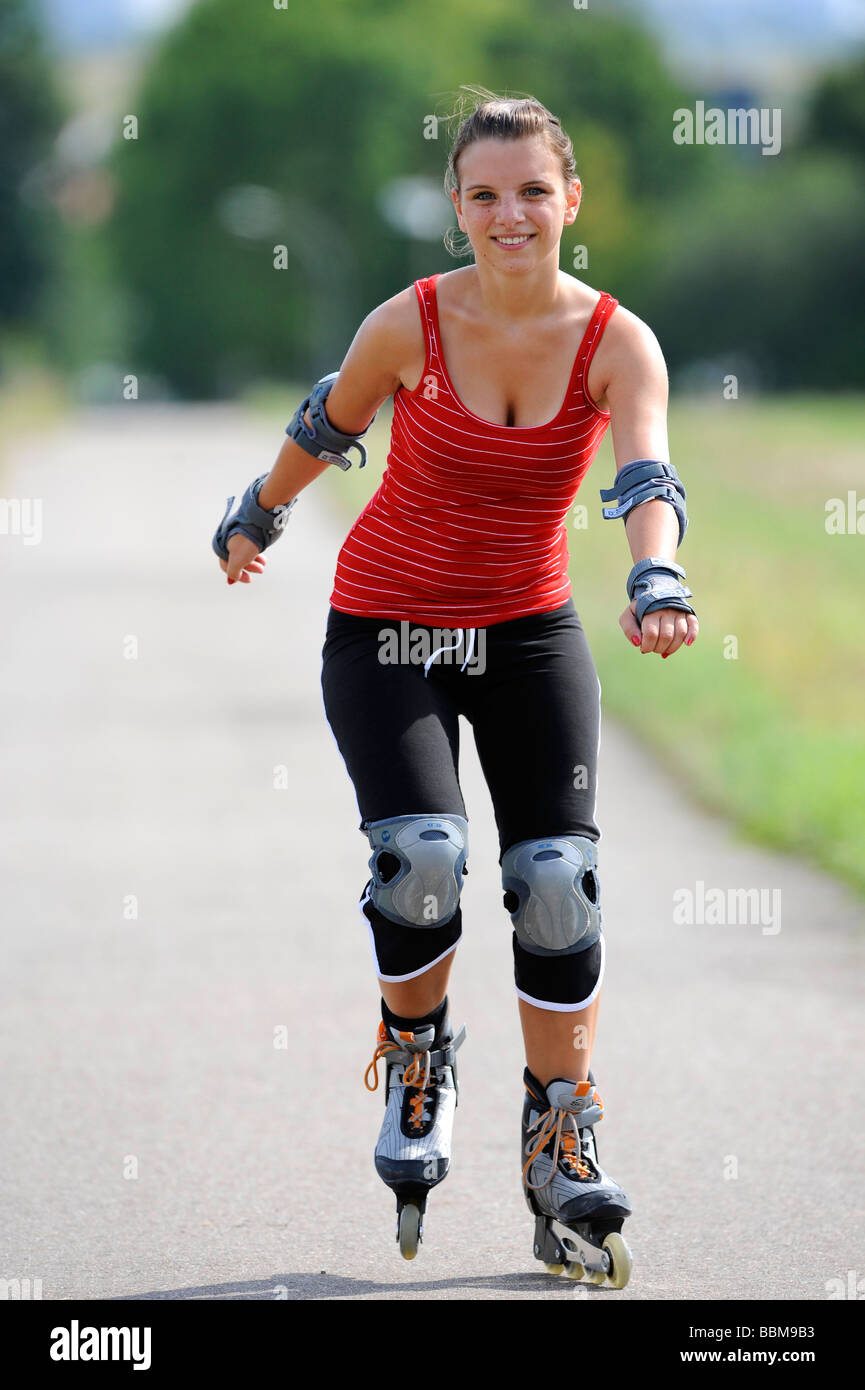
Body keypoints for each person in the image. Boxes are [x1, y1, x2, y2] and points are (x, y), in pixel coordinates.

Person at [213, 90, 698, 1281]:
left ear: (569, 200)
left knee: (556, 880)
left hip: (530, 628)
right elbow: (326, 425)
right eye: (484, 194)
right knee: (424, 856)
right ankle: (418, 1057)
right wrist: (257, 512)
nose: (510, 213)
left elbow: (644, 471)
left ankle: (561, 1134)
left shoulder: (615, 340)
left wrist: (655, 577)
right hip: (389, 627)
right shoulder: (411, 322)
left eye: (532, 189)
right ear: (456, 210)